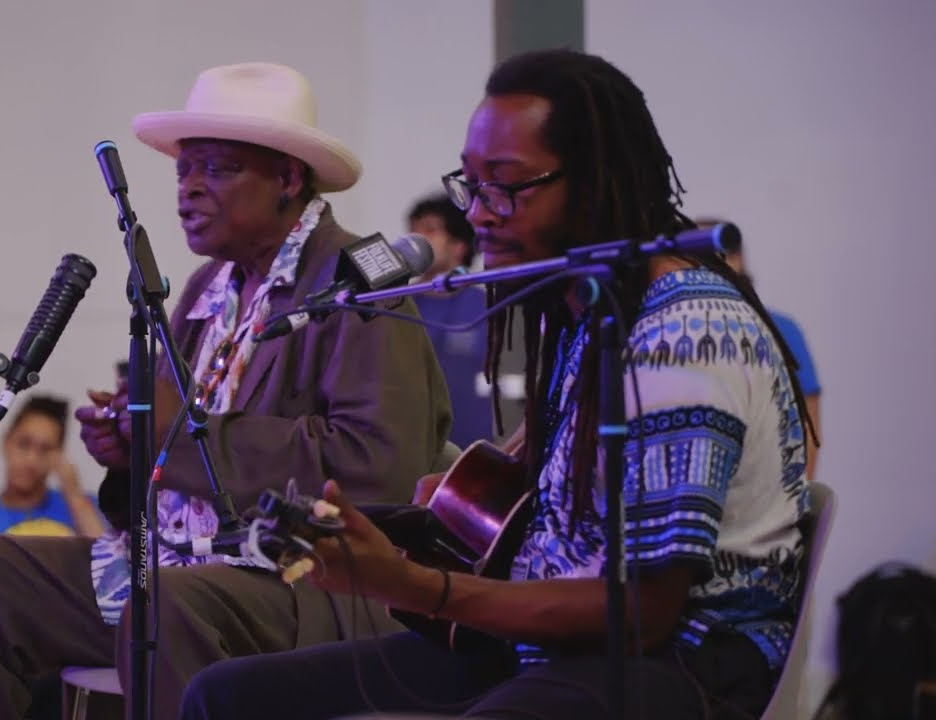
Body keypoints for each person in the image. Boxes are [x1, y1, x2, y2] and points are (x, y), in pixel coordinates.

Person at [180, 49, 818, 720]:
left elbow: (640, 612)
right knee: (226, 696)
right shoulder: (590, 313)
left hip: (678, 665)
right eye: (471, 184)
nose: (479, 214)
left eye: (507, 186)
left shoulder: (684, 330)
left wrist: (416, 585)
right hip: (550, 649)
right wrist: (396, 531)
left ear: (595, 185)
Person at [0, 62, 452, 719]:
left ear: (288, 177)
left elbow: (382, 467)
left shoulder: (356, 283)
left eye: (217, 170)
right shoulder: (206, 290)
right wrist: (129, 444)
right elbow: (170, 454)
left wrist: (182, 434)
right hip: (179, 569)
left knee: (166, 603)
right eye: (183, 170)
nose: (188, 191)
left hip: (310, 583)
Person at [698, 217, 823, 479]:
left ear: (739, 261)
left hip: (767, 496)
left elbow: (808, 426)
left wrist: (799, 502)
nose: (716, 264)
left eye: (725, 252)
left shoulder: (781, 330)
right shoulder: (669, 335)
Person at [406, 193, 498, 448]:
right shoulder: (396, 305)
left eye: (430, 230)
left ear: (459, 245)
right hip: (412, 448)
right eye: (413, 229)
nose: (415, 238)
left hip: (474, 454)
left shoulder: (489, 308)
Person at [0, 394, 106, 538]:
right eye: (24, 444)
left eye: (45, 449)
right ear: (6, 442)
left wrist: (75, 495)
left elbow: (111, 563)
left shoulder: (85, 509)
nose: (32, 460)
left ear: (58, 455)